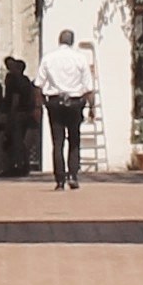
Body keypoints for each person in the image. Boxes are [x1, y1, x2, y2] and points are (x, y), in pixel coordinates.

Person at [37, 26, 98, 189]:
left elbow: (38, 84)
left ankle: (59, 180)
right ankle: (73, 175)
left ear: (59, 40)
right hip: (75, 102)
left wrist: (44, 102)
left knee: (57, 142)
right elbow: (88, 87)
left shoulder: (48, 58)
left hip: (55, 102)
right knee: (74, 140)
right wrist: (92, 107)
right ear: (72, 41)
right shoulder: (80, 59)